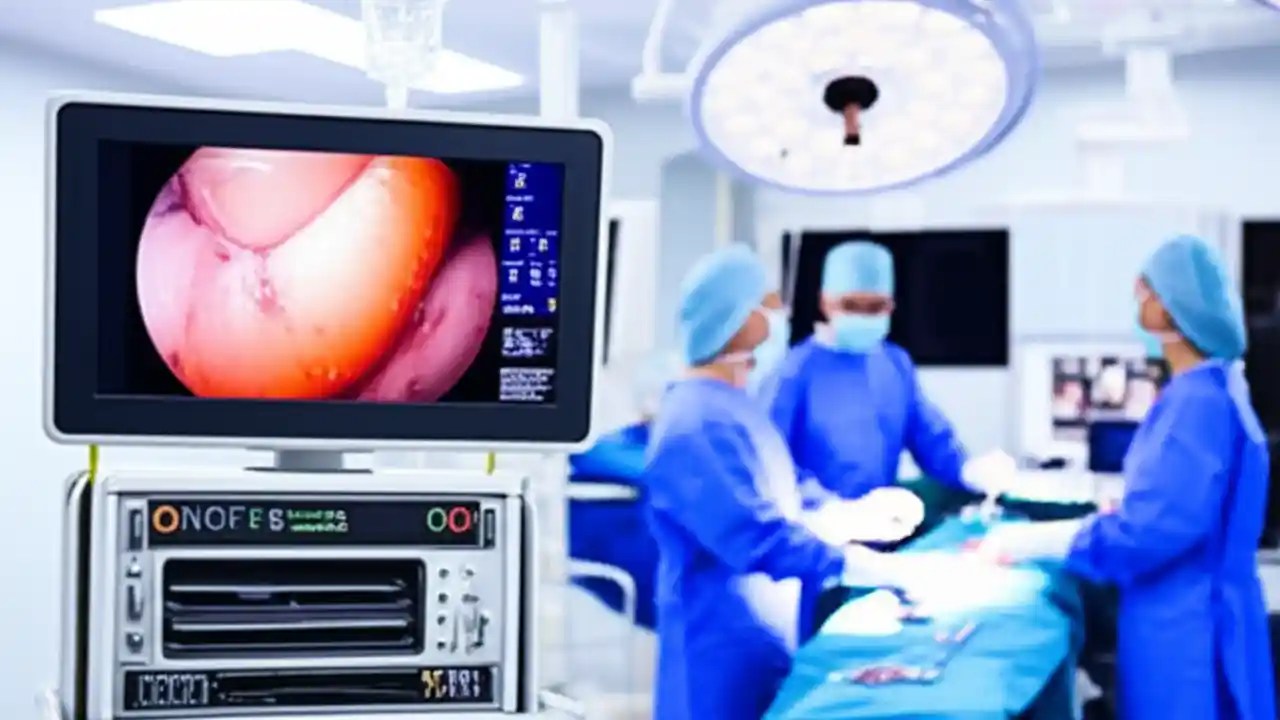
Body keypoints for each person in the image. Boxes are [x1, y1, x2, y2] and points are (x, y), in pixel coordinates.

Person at [980, 235, 1276, 720]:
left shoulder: (1197, 402)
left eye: (1145, 291)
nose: (1137, 301)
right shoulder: (1214, 388)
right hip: (1198, 612)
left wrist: (1036, 541)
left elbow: (1150, 532)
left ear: (1172, 309)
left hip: (1186, 632)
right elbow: (1180, 505)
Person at [644, 244, 901, 720]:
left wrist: (846, 513)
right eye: (770, 303)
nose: (781, 314)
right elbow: (754, 536)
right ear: (737, 318)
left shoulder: (735, 406)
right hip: (716, 661)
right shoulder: (694, 421)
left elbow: (785, 484)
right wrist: (857, 564)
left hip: (759, 647)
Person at [762, 240, 1013, 502]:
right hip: (809, 525)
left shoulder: (895, 364)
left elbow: (929, 437)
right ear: (825, 302)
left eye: (875, 307)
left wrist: (968, 469)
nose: (862, 315)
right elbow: (769, 466)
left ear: (891, 306)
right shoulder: (793, 371)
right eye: (851, 305)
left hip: (881, 525)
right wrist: (827, 509)